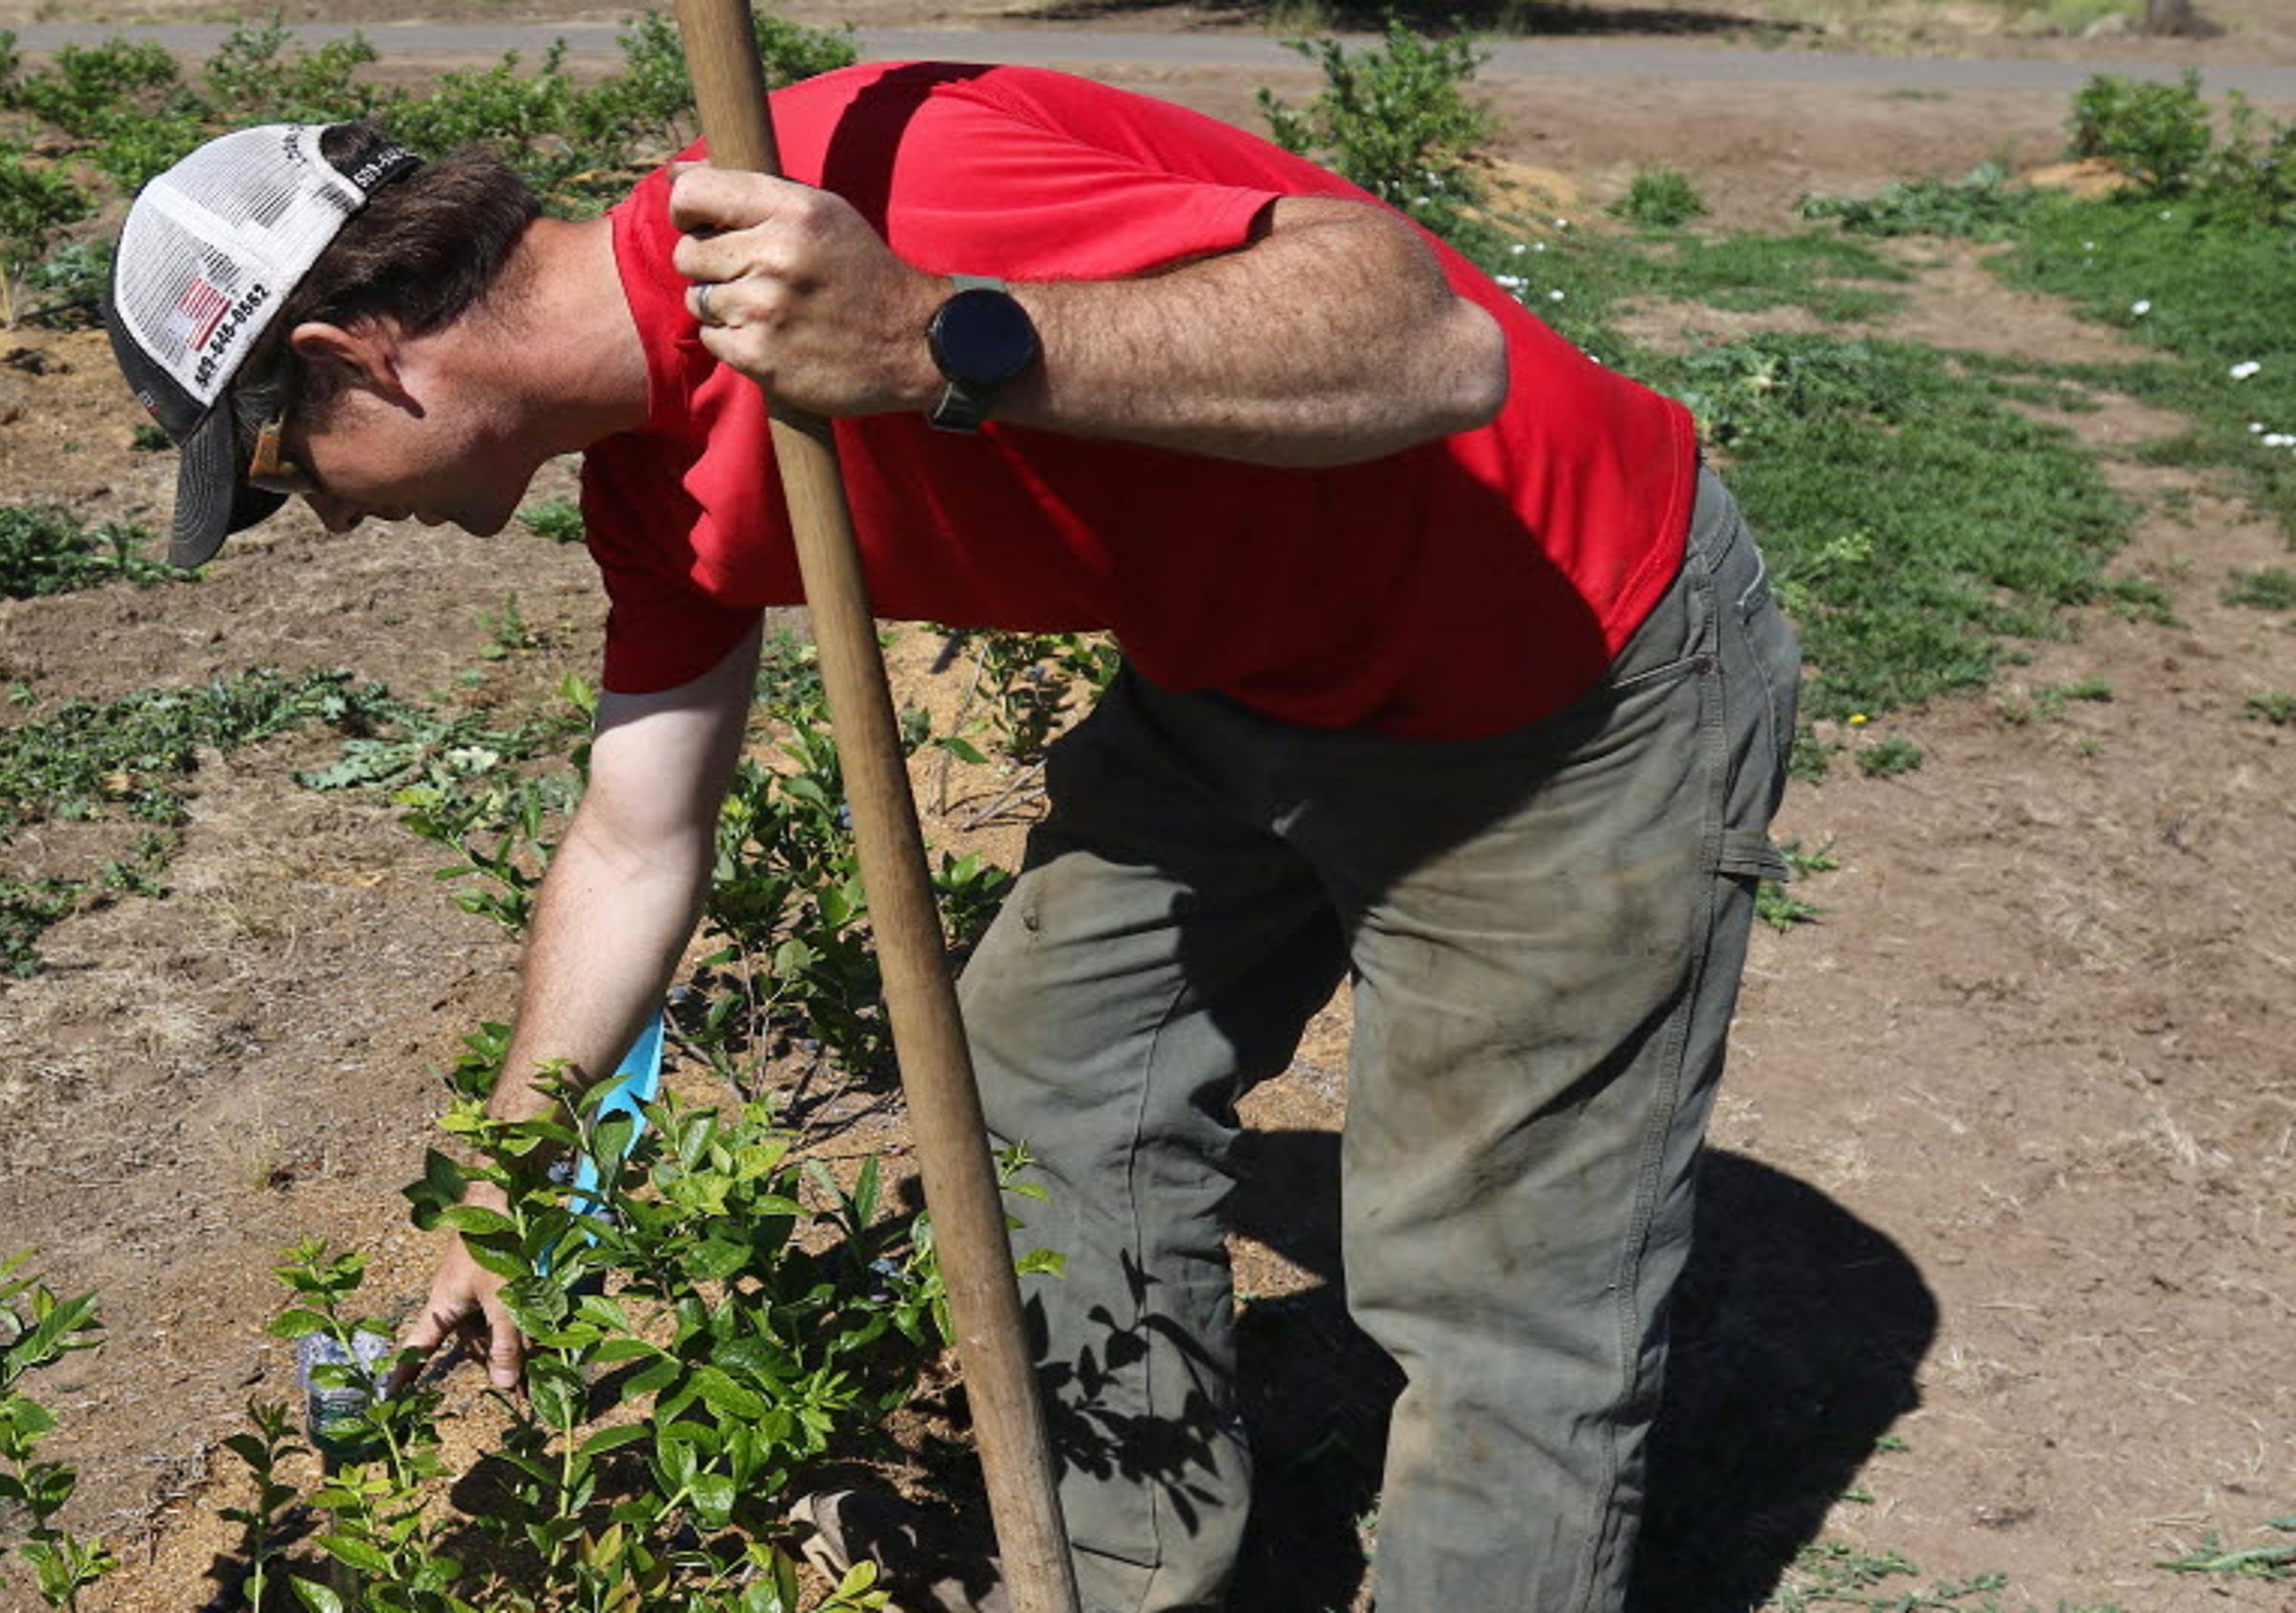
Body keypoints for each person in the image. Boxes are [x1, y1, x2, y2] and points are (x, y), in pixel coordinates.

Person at [105, 60, 1800, 1613]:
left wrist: (934, 339)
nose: (315, 519)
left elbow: (1434, 344)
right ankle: (1137, 1579)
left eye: (272, 471)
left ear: (354, 358)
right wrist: (508, 1185)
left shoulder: (864, 181)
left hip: (1562, 667)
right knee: (1042, 1087)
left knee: (1498, 1293)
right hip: (1241, 683)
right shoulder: (646, 483)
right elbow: (634, 838)